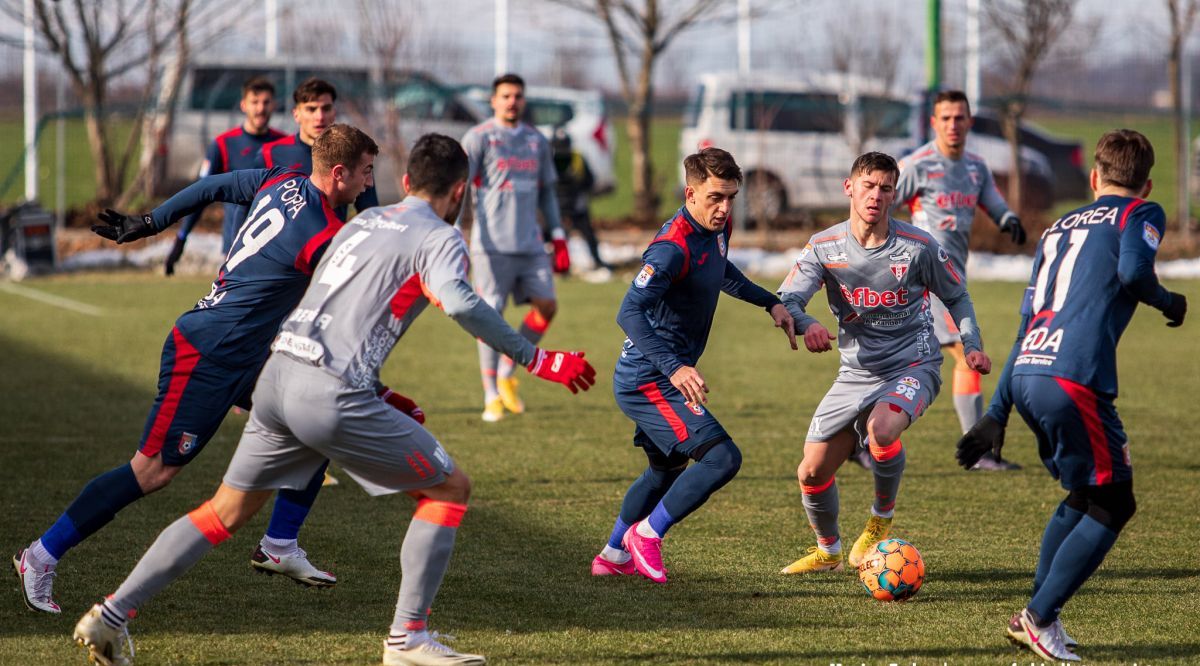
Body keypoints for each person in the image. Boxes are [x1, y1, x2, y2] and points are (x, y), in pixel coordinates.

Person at [71, 133, 597, 666]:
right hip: (331, 394)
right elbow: (459, 302)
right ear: (461, 190)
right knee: (449, 490)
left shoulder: (363, 222)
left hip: (277, 376)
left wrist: (379, 391)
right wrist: (537, 359)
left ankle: (111, 615)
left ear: (407, 181)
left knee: (223, 512)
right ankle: (407, 639)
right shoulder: (440, 237)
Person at [13, 125, 380, 616]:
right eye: (366, 172)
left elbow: (212, 186)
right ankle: (40, 556)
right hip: (208, 351)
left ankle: (280, 544)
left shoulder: (283, 178)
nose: (368, 183)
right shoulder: (322, 234)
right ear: (340, 173)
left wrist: (151, 221)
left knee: (316, 422)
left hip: (246, 351)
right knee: (151, 471)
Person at [955, 130, 1187, 662]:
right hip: (1073, 375)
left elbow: (1027, 323)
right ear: (1147, 182)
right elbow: (1133, 271)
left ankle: (1041, 615)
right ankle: (1038, 617)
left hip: (1030, 370)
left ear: (1093, 178)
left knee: (1084, 495)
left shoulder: (1058, 227)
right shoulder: (1141, 213)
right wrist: (1169, 301)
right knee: (1114, 501)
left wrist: (996, 413)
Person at [777, 151, 991, 575]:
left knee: (882, 429)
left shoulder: (918, 246)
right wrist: (807, 323)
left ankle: (880, 519)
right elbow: (787, 301)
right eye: (868, 186)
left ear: (895, 194)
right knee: (811, 472)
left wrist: (971, 343)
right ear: (850, 188)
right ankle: (829, 552)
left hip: (914, 365)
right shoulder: (825, 246)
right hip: (854, 374)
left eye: (886, 188)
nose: (876, 195)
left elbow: (957, 295)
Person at [591, 147, 796, 584]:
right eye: (716, 197)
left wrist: (770, 304)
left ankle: (612, 554)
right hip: (647, 378)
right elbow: (628, 312)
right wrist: (674, 368)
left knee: (664, 471)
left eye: (731, 198)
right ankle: (646, 536)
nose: (724, 208)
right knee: (721, 458)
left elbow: (720, 270)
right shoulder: (670, 248)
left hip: (660, 373)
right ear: (690, 193)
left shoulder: (715, 229)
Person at [894, 90, 1025, 471]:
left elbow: (992, 200)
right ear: (933, 123)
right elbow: (880, 206)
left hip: (954, 281)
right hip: (926, 280)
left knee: (902, 362)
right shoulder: (917, 165)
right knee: (969, 358)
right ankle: (978, 454)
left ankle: (859, 439)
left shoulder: (975, 167)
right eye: (945, 118)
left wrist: (1008, 220)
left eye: (959, 117)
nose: (953, 124)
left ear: (969, 121)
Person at [463, 73, 570, 423]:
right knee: (490, 316)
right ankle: (490, 393)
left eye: (518, 96)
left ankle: (509, 372)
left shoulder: (536, 140)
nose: (512, 101)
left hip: (530, 244)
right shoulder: (478, 138)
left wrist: (558, 234)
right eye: (506, 96)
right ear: (493, 101)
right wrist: (452, 233)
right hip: (491, 247)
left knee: (547, 306)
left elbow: (547, 192)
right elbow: (459, 189)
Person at [165, 76, 287, 274]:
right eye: (254, 102)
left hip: (275, 245)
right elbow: (201, 194)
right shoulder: (223, 144)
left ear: (274, 105)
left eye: (266, 102)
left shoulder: (284, 145)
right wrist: (181, 238)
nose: (260, 108)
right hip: (235, 246)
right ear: (243, 105)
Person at [258, 77, 379, 222]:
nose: (320, 116)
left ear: (334, 113)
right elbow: (248, 210)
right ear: (296, 114)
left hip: (332, 242)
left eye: (326, 108)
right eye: (311, 109)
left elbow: (370, 214)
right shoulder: (269, 154)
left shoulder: (353, 154)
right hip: (286, 243)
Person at [550, 126, 612, 281]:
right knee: (559, 238)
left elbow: (589, 181)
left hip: (577, 205)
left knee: (589, 235)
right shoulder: (548, 161)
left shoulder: (577, 158)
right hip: (557, 206)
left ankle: (597, 261)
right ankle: (561, 267)